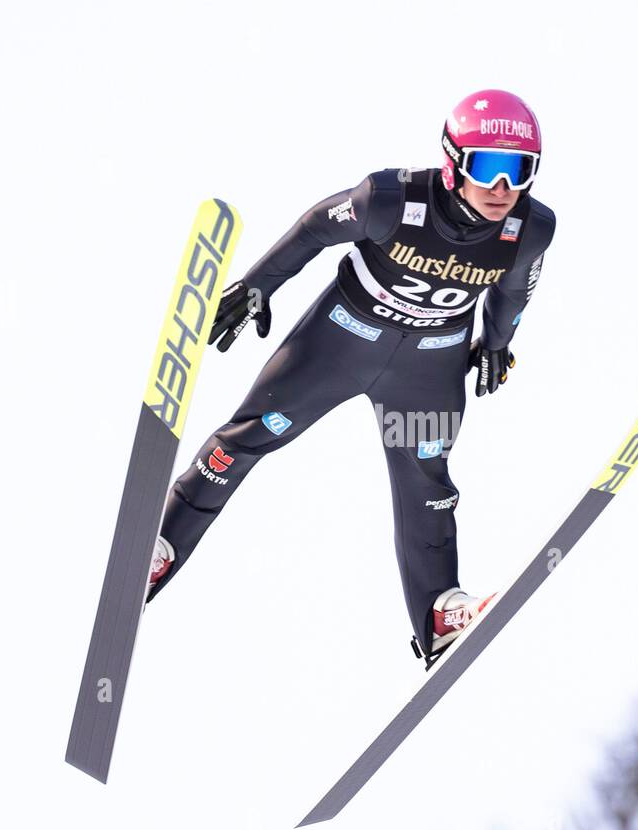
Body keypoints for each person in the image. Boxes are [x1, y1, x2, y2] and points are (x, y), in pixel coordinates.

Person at [146, 89, 556, 667]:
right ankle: (158, 548)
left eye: (520, 171)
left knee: (426, 482)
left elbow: (514, 292)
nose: (502, 187)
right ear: (453, 161)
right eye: (489, 167)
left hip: (429, 364)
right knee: (248, 437)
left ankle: (439, 612)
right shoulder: (390, 198)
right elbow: (316, 227)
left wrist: (497, 344)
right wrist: (260, 284)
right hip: (341, 342)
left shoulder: (530, 228)